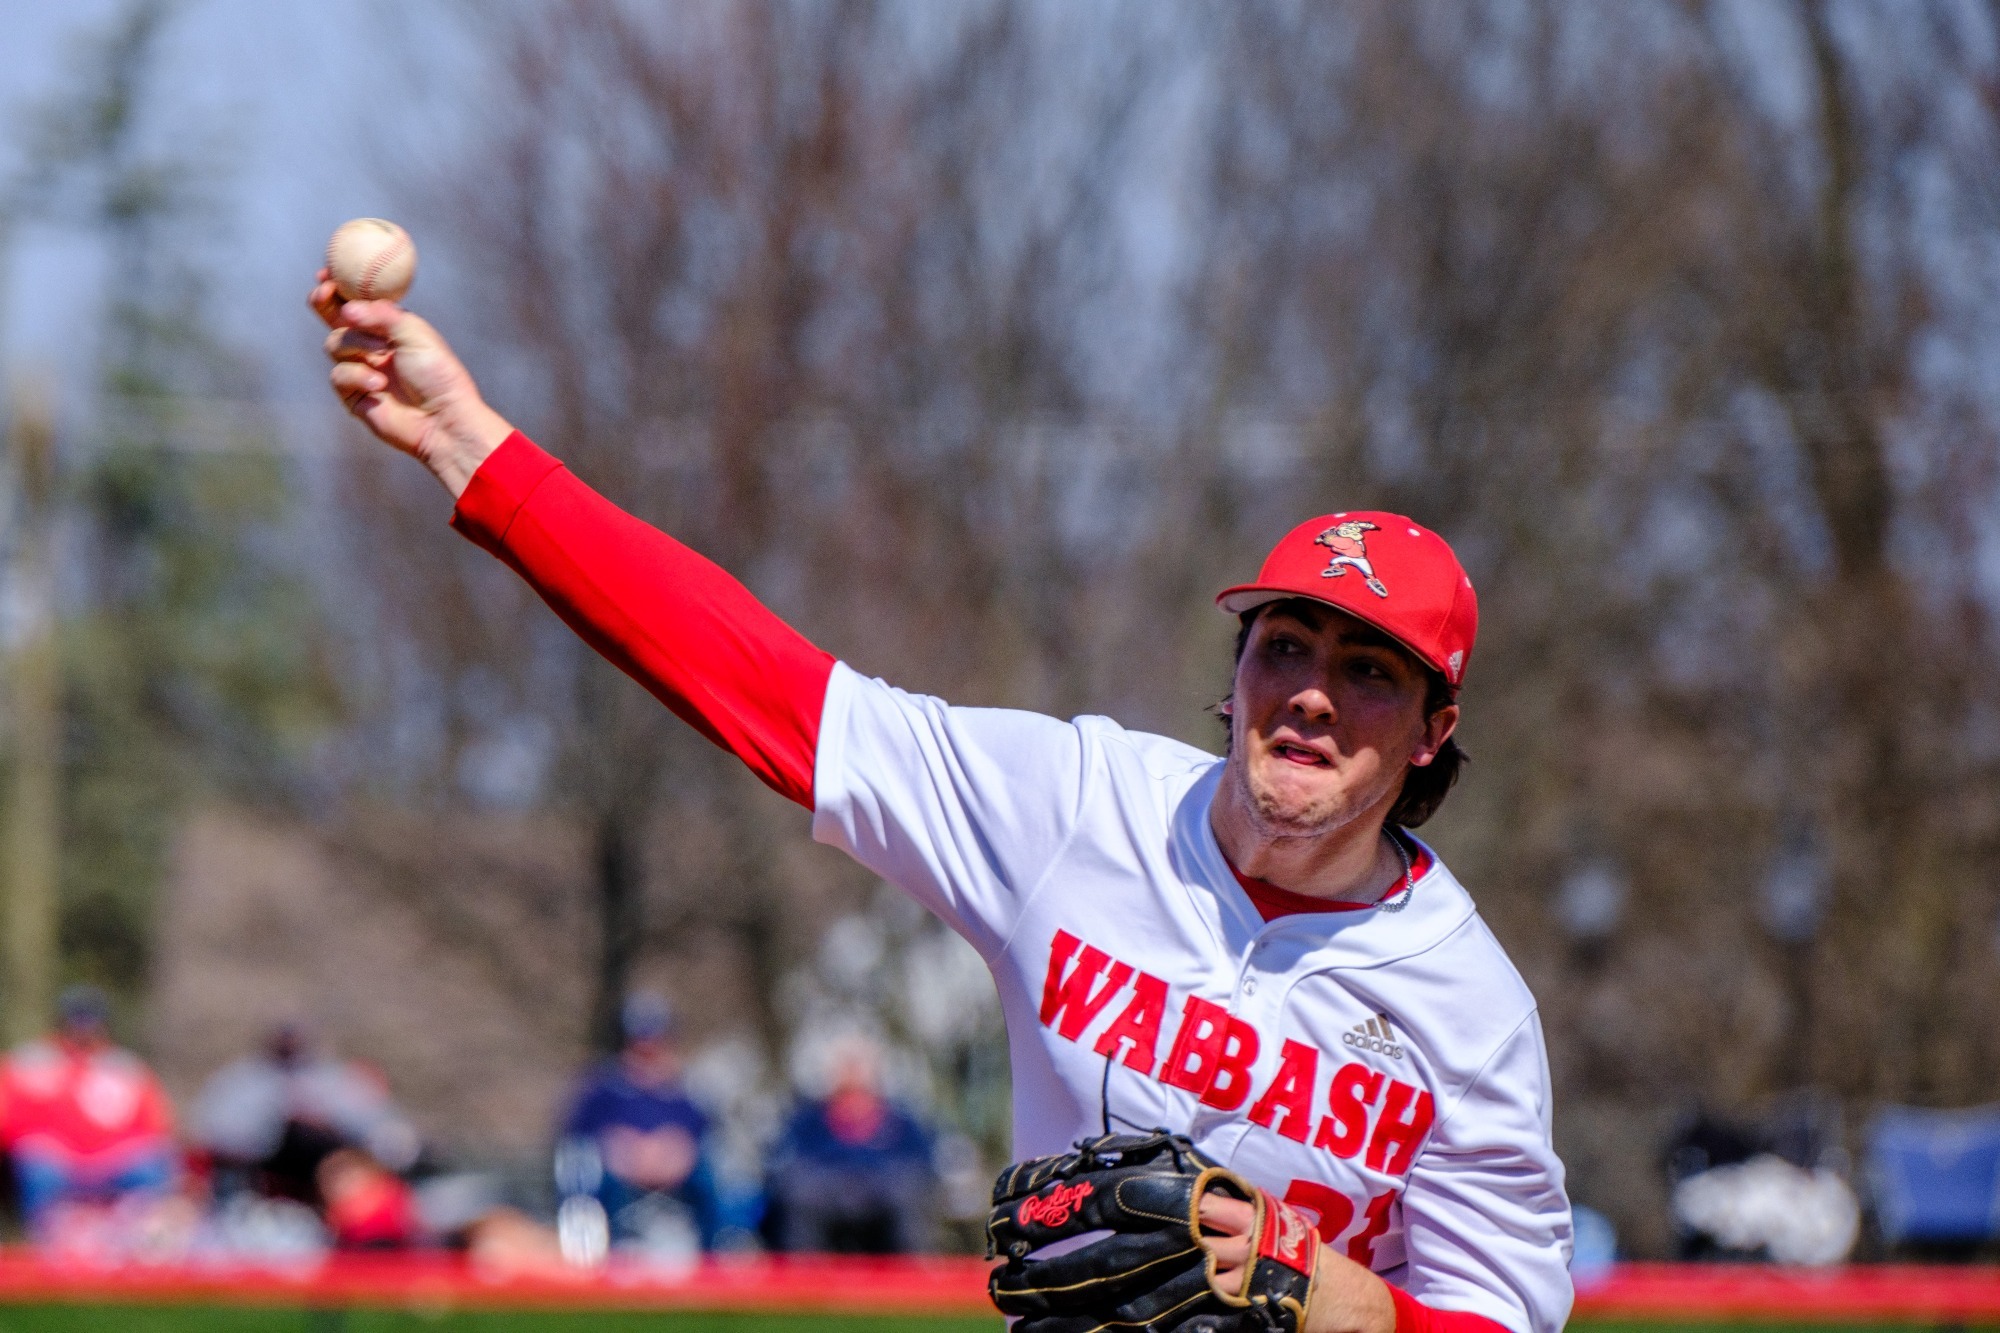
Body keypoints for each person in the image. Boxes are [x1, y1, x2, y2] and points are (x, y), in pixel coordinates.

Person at [312, 271, 1571, 1333]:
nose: (1309, 695)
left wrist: (1343, 1300)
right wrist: (471, 446)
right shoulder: (1077, 808)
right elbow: (762, 685)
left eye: (1367, 671)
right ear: (1236, 672)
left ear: (1431, 732)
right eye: (1283, 645)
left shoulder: (1468, 1010)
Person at [0, 986, 177, 1238]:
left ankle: (140, 1241)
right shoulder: (31, 1062)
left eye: (90, 1021)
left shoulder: (124, 1068)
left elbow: (155, 1127)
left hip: (115, 1163)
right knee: (37, 1166)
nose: (83, 1029)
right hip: (54, 1163)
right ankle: (43, 1241)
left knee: (151, 1165)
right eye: (76, 1020)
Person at [189, 1022, 421, 1208]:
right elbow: (212, 1133)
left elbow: (385, 1133)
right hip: (257, 1176)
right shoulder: (240, 1081)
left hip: (326, 1174)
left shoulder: (333, 1079)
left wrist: (325, 1123)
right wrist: (275, 1122)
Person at [555, 992, 716, 1253]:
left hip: (677, 1172)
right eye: (640, 1038)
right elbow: (576, 1133)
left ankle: (717, 1254)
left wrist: (674, 1155)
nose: (647, 1045)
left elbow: (702, 1134)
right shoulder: (602, 1088)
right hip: (614, 1169)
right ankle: (592, 1254)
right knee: (584, 1172)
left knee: (714, 1178)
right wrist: (619, 1151)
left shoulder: (687, 1090)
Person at [764, 1035, 937, 1253]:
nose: (852, 1072)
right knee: (801, 1194)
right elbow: (785, 1167)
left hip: (886, 1203)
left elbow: (924, 1166)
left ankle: (909, 1274)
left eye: (858, 1064)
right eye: (846, 1064)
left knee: (908, 1197)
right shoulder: (805, 1122)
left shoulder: (904, 1123)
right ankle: (804, 1273)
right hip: (823, 1202)